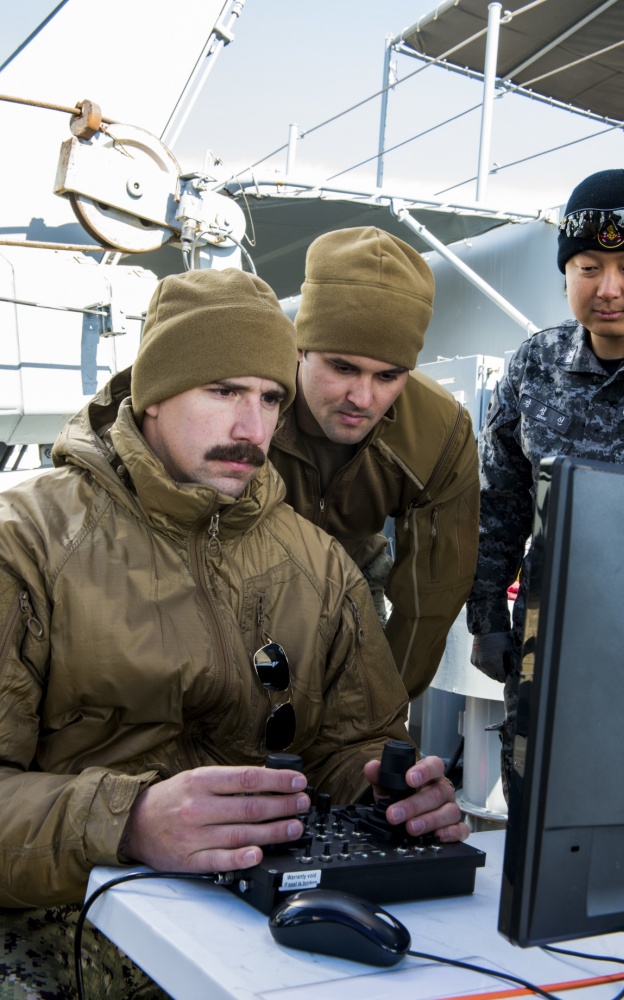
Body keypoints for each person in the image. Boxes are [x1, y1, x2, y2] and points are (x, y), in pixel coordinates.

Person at [0, 269, 467, 997]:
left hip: (261, 916)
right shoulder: (25, 545)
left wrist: (390, 797)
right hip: (63, 909)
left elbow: (350, 745)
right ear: (152, 393)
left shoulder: (316, 565)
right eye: (222, 391)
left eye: (271, 398)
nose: (253, 430)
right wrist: (128, 822)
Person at [466, 168, 624, 798]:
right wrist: (487, 618)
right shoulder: (536, 364)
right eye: (587, 267)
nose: (608, 289)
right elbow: (500, 502)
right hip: (545, 634)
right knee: (536, 784)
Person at [269, 226, 480, 700]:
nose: (362, 398)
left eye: (388, 376)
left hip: (351, 577)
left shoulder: (439, 432)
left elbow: (433, 594)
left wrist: (380, 710)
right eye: (342, 367)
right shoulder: (247, 392)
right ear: (301, 349)